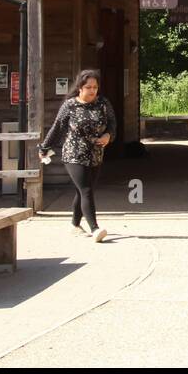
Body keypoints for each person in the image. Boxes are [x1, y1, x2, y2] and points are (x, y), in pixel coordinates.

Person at [39, 69, 117, 243]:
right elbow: (57, 127)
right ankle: (95, 228)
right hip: (74, 153)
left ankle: (74, 224)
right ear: (80, 87)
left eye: (95, 87)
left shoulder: (103, 103)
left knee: (82, 190)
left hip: (95, 153)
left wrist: (108, 136)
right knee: (86, 190)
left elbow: (112, 123)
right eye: (88, 87)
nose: (92, 90)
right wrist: (44, 147)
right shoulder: (70, 105)